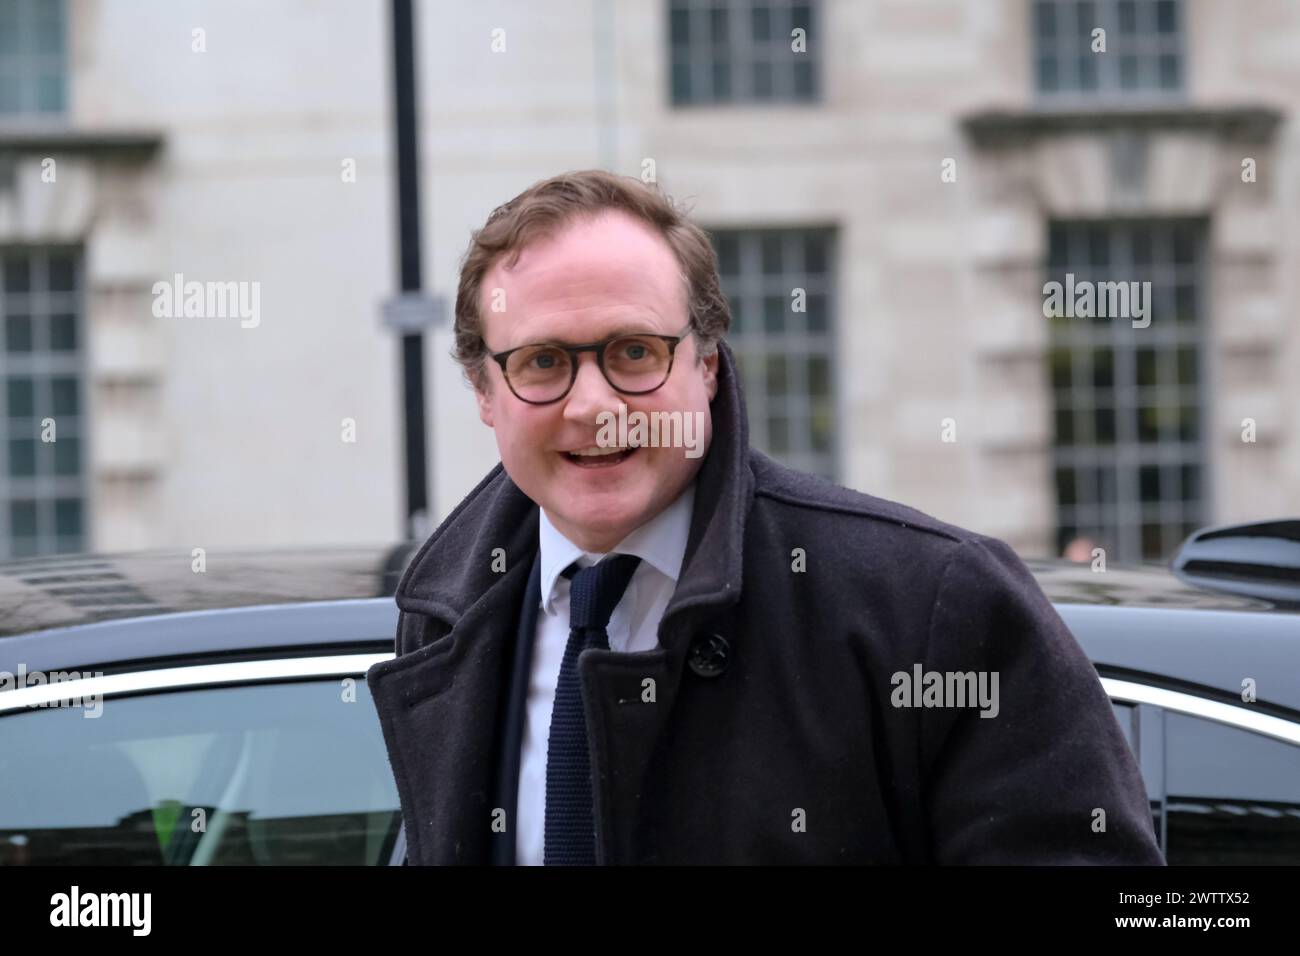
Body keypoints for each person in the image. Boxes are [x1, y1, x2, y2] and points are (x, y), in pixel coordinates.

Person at [366, 169, 1165, 865]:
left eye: (635, 353)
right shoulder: (446, 618)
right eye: (543, 362)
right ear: (482, 392)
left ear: (707, 364)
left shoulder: (930, 605)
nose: (595, 406)